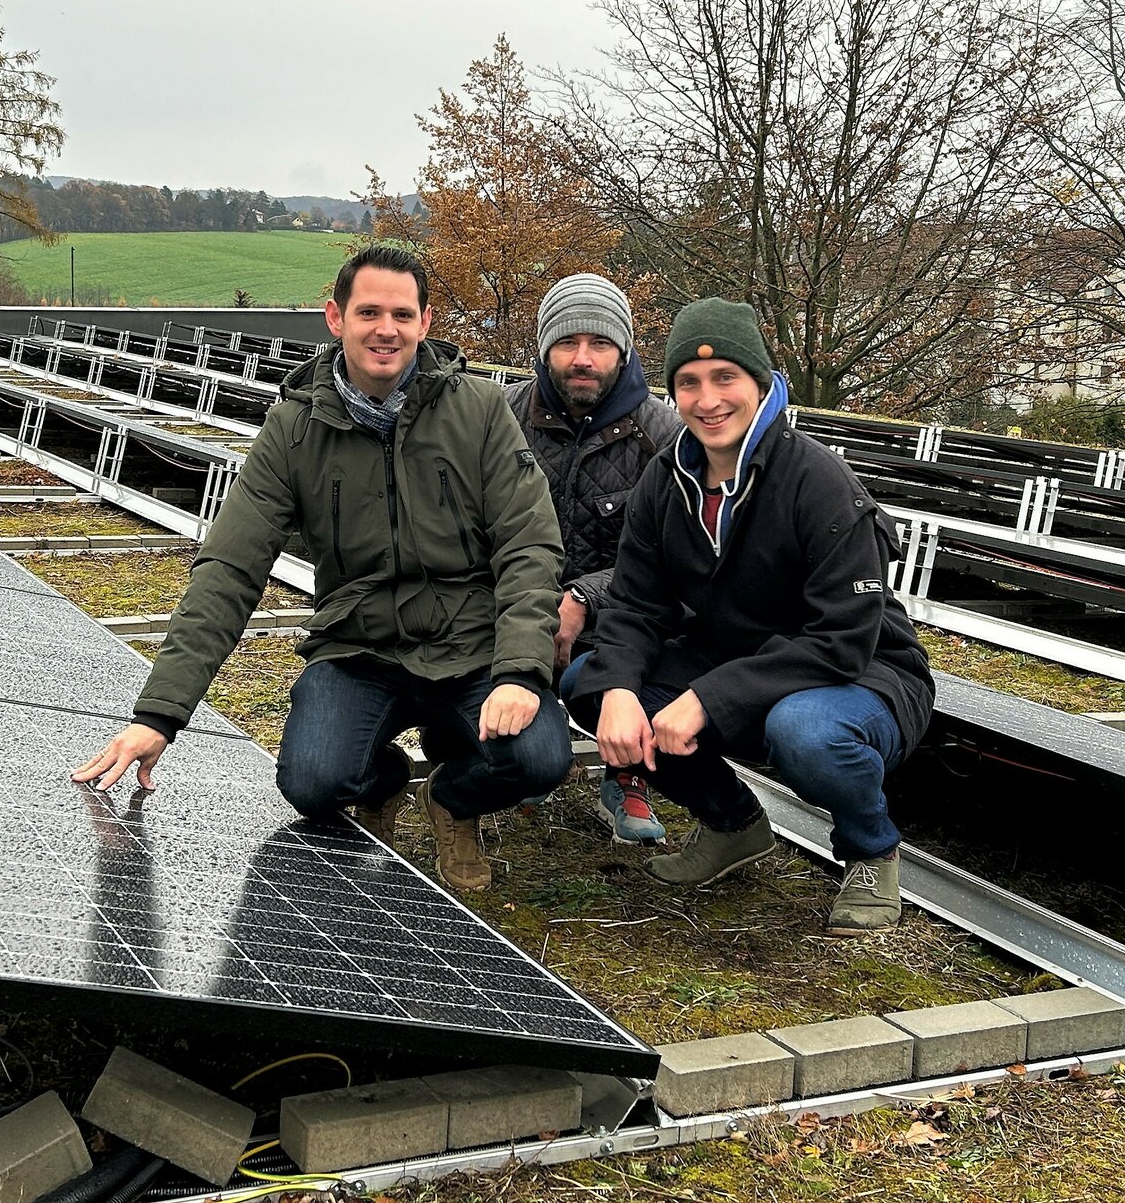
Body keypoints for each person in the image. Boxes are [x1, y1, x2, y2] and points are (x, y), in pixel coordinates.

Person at [70, 245, 570, 893]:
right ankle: (385, 780)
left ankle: (456, 798)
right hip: (360, 645)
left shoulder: (479, 412)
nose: (384, 329)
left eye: (400, 313)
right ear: (335, 318)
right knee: (312, 780)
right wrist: (159, 715)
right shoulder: (294, 427)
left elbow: (529, 546)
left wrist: (521, 672)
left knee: (538, 755)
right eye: (368, 311)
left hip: (469, 645)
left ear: (425, 321)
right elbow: (230, 565)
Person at [567, 299, 934, 935]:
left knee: (806, 731)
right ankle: (733, 825)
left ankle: (871, 849)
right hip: (735, 659)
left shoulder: (817, 481)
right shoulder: (667, 480)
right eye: (689, 382)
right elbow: (634, 603)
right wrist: (623, 688)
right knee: (589, 685)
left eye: (725, 378)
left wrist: (706, 699)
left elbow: (841, 641)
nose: (707, 400)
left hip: (860, 675)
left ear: (761, 384)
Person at [505, 273, 679, 843]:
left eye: (600, 343)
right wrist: (535, 602)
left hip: (621, 616)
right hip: (517, 605)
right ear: (542, 347)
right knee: (530, 760)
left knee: (647, 648)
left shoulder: (667, 435)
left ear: (624, 351)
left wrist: (585, 596)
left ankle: (626, 770)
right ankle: (523, 746)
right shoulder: (503, 419)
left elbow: (670, 557)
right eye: (567, 342)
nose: (583, 359)